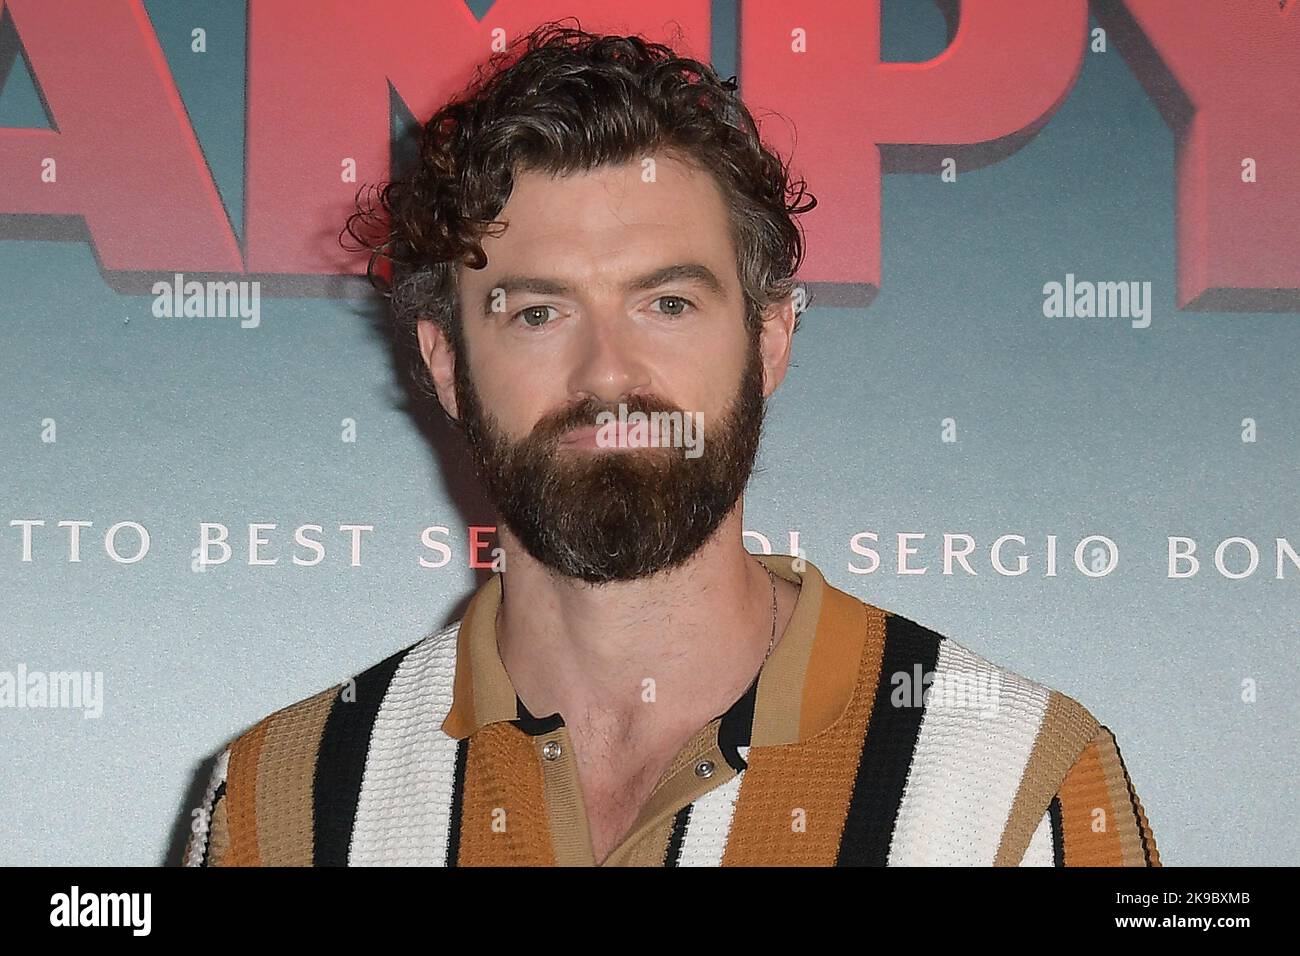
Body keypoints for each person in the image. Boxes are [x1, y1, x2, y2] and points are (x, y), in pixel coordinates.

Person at [181, 22, 1158, 867]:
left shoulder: (1017, 783)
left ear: (768, 337)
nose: (607, 372)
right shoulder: (281, 800)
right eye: (535, 312)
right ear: (445, 362)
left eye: (667, 302)